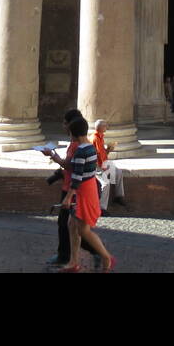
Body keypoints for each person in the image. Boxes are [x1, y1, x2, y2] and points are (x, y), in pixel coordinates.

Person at [59, 116, 115, 271]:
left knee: (83, 229)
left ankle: (106, 257)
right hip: (89, 187)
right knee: (72, 224)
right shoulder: (90, 147)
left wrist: (69, 197)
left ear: (73, 134)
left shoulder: (80, 151)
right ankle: (73, 261)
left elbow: (76, 177)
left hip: (83, 190)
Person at [92, 119, 124, 210]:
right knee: (106, 184)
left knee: (118, 172)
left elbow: (102, 153)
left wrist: (108, 150)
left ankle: (119, 196)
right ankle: (102, 208)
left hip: (104, 163)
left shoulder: (101, 137)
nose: (107, 127)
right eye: (105, 126)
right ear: (100, 127)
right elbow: (98, 154)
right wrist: (104, 167)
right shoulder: (95, 138)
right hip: (97, 166)